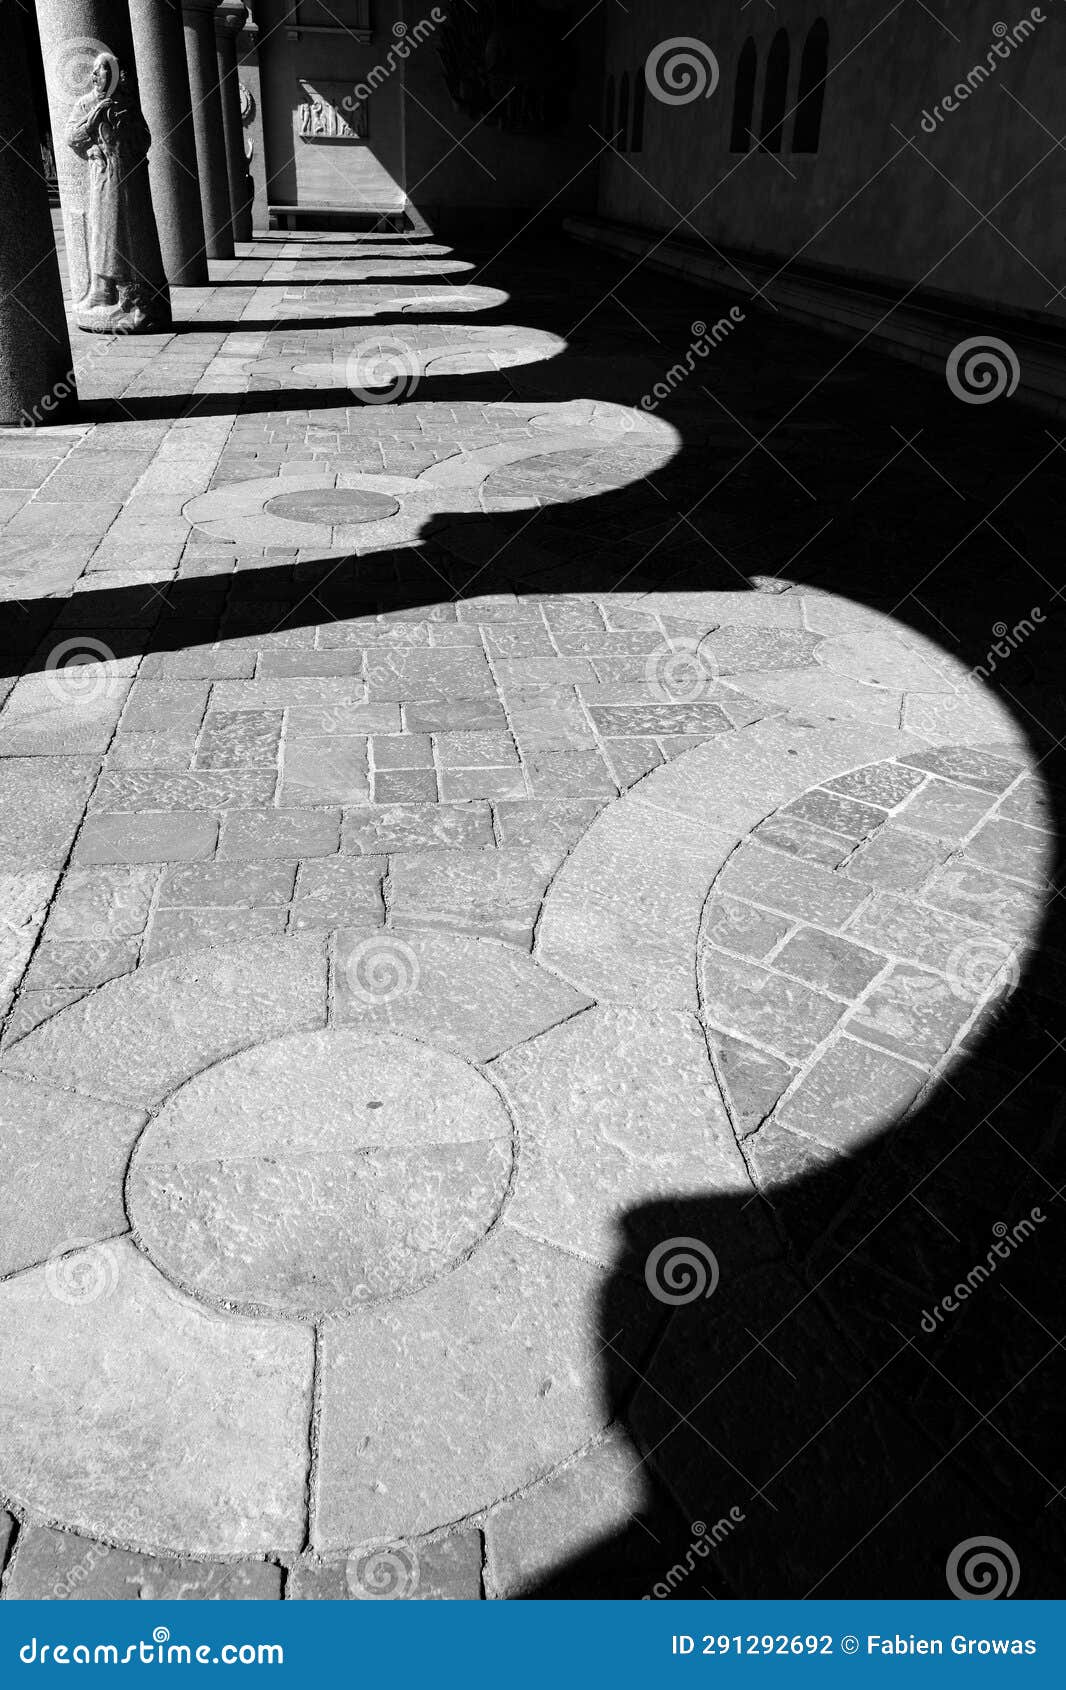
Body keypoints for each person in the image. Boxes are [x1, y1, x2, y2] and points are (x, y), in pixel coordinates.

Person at [64, 52, 153, 325]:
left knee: (127, 235)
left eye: (100, 70)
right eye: (93, 70)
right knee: (102, 232)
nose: (94, 75)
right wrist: (91, 123)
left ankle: (132, 298)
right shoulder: (86, 103)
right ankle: (101, 291)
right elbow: (71, 137)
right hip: (102, 179)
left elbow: (145, 139)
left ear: (112, 74)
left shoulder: (126, 104)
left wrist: (125, 130)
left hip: (128, 180)